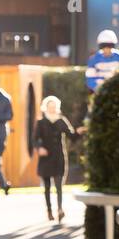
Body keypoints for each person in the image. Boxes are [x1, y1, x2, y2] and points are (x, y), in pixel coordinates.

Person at [34, 95, 81, 223]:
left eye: (54, 107)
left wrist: (79, 132)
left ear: (57, 108)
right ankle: (49, 210)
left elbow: (72, 136)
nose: (52, 109)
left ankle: (60, 209)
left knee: (59, 185)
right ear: (45, 108)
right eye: (50, 107)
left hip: (59, 156)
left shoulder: (61, 121)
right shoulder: (41, 122)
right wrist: (39, 148)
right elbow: (34, 139)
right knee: (47, 186)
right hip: (45, 157)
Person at [85, 29, 119, 95]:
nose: (106, 48)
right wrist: (99, 89)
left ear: (113, 45)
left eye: (109, 46)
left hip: (118, 92)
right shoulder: (93, 59)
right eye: (103, 46)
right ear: (100, 46)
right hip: (99, 92)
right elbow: (90, 79)